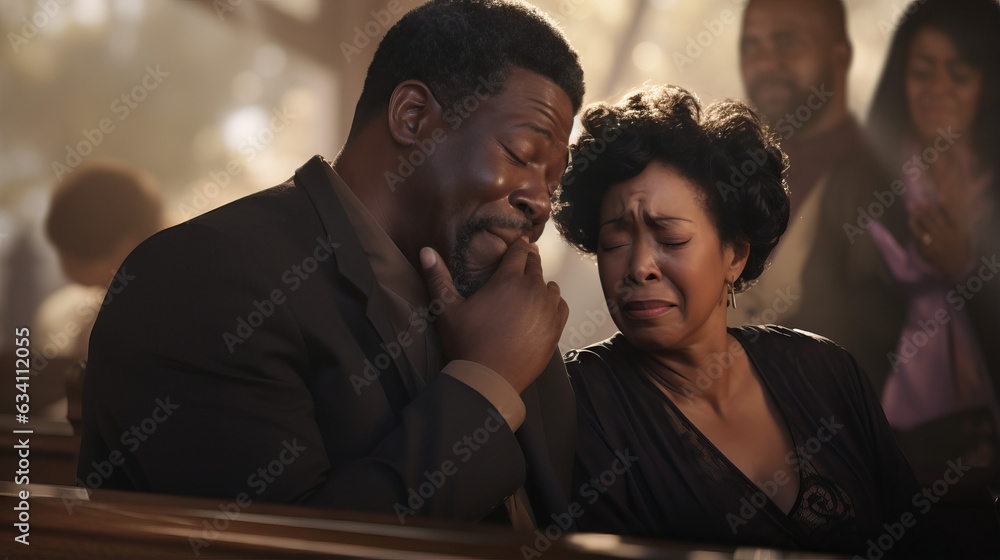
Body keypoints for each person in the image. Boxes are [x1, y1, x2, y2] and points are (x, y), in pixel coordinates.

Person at [78, 0, 584, 530]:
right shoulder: (199, 277)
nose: (541, 201)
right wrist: (487, 382)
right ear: (412, 116)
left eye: (553, 179)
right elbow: (282, 543)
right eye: (521, 153)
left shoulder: (507, 300)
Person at [553, 85, 925, 555]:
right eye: (615, 241)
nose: (639, 265)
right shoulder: (576, 402)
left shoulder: (826, 372)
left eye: (670, 238)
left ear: (735, 254)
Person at [731, 0, 904, 391]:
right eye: (751, 45)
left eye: (787, 42)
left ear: (839, 55)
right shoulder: (726, 166)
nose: (765, 62)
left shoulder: (881, 187)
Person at [865, 0, 1000, 502]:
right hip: (885, 449)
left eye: (959, 73)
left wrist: (967, 267)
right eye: (922, 71)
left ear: (989, 84)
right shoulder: (863, 180)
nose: (937, 89)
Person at [35, 160, 165, 360]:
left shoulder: (173, 322)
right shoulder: (62, 316)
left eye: (79, 256)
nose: (66, 267)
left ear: (129, 244)